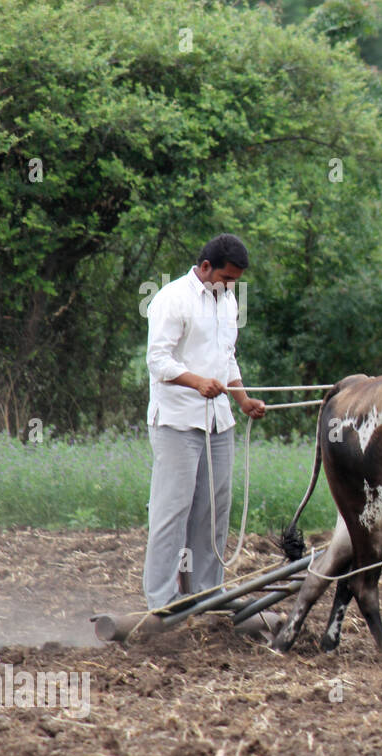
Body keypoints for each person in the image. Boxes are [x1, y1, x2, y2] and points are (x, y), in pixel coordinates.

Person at [142, 234, 266, 612]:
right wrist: (197, 382)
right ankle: (162, 601)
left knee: (213, 511)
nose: (230, 287)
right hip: (177, 421)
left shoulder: (226, 302)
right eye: (227, 278)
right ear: (206, 266)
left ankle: (206, 593)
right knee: (172, 511)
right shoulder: (172, 299)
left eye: (235, 282)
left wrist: (243, 400)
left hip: (218, 421)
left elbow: (227, 359)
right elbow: (158, 362)